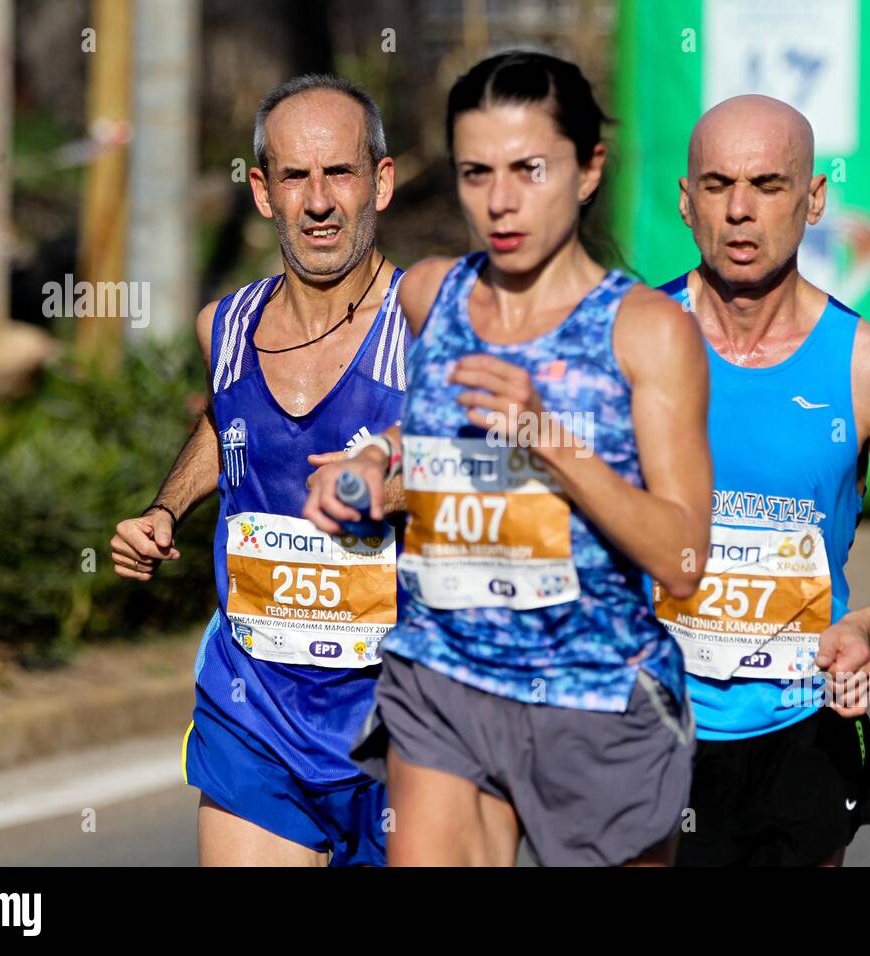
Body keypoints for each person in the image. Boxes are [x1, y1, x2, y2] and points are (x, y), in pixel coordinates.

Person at [302, 51, 712, 867]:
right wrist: (373, 475)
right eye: (475, 172)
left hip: (594, 695)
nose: (500, 201)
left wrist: (548, 439)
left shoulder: (645, 332)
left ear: (589, 169)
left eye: (530, 169)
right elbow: (433, 447)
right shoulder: (429, 294)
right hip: (442, 677)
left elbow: (683, 558)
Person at [652, 94, 870, 867]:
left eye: (768, 186)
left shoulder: (868, 365)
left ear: (814, 199)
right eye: (717, 185)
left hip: (799, 725)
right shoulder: (631, 340)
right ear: (685, 201)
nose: (739, 211)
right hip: (650, 722)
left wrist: (867, 628)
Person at [110, 73, 409, 866]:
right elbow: (226, 424)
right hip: (256, 716)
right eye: (294, 177)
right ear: (261, 190)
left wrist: (393, 475)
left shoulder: (429, 327)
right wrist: (165, 510)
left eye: (339, 173)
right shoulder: (227, 326)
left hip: (406, 724)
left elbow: (484, 462)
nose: (318, 202)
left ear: (380, 180)